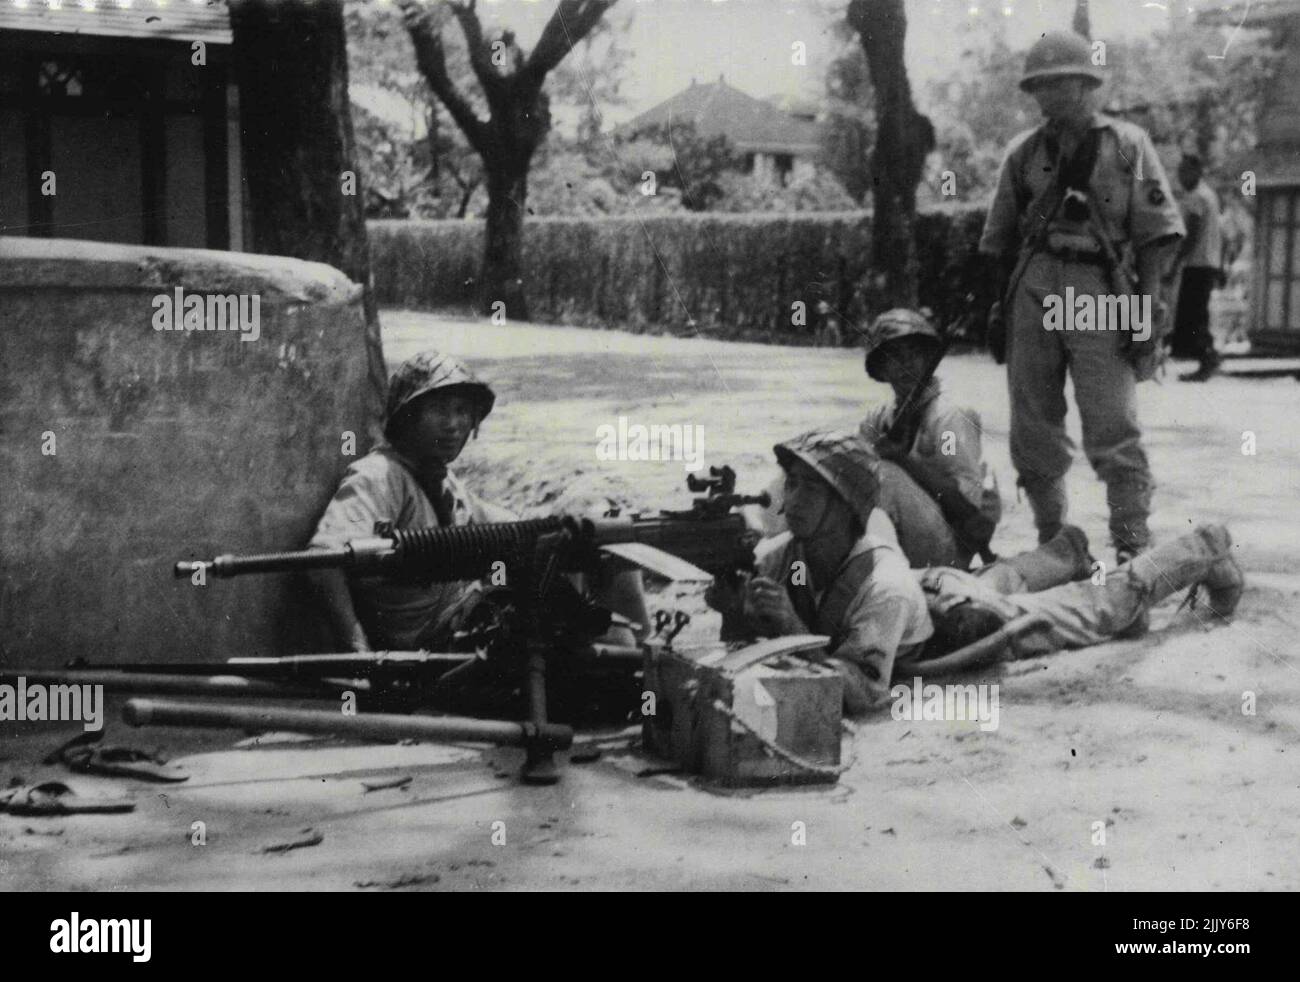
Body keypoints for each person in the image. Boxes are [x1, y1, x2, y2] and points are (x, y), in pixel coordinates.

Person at [712, 430, 1244, 715]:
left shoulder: (882, 587)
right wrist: (736, 610)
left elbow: (864, 693)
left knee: (1097, 605)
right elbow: (743, 642)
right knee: (993, 576)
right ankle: (1065, 549)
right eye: (792, 482)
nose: (790, 497)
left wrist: (787, 631)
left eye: (808, 486)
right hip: (930, 591)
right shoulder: (786, 554)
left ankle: (1204, 546)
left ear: (845, 502)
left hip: (962, 624)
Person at [979, 31, 1185, 565]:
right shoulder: (1023, 154)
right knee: (1033, 421)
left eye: (1063, 82)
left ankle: (1132, 545)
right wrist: (1001, 306)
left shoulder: (1128, 144)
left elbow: (1155, 236)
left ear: (1087, 84)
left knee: (1112, 419)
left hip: (1101, 285)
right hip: (1036, 280)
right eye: (1041, 86)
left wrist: (1149, 310)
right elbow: (999, 240)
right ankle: (1054, 541)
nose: (1052, 94)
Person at [308, 350, 648, 652]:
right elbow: (323, 559)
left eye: (462, 411)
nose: (454, 424)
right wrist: (356, 652)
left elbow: (508, 527)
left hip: (472, 620)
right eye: (440, 409)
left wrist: (578, 525)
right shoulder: (379, 476)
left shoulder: (441, 479)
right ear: (407, 416)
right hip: (431, 646)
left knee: (603, 533)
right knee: (616, 644)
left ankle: (647, 655)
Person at [858, 308, 1001, 569]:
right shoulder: (876, 419)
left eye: (914, 354)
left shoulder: (949, 415)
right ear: (880, 367)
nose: (906, 365)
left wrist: (904, 461)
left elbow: (968, 508)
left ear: (927, 358)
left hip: (948, 543)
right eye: (894, 356)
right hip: (905, 534)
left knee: (886, 473)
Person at [1166, 154, 1225, 381]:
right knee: (1197, 312)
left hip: (1198, 263)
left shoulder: (1197, 197)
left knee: (1193, 314)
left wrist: (1177, 261)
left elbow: (1192, 233)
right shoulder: (1208, 195)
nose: (1180, 176)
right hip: (1206, 262)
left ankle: (1207, 357)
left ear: (1197, 172)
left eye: (1184, 171)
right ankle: (1208, 356)